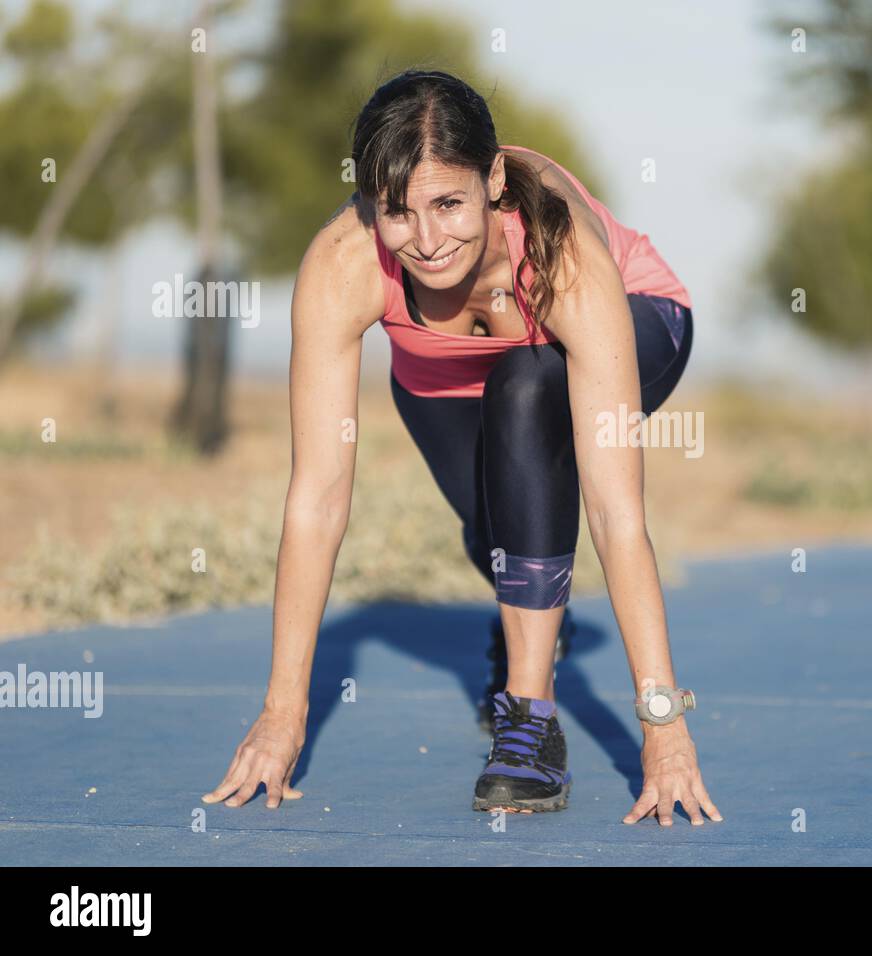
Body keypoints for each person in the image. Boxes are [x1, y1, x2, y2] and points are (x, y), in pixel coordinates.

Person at [202, 69, 722, 826]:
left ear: (494, 180)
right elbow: (316, 498)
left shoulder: (561, 251)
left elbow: (614, 514)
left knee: (525, 387)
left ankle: (530, 723)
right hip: (438, 382)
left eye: (449, 204)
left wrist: (663, 724)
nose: (428, 241)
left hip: (635, 324)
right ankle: (534, 623)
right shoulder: (342, 265)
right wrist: (283, 713)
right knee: (496, 537)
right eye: (399, 214)